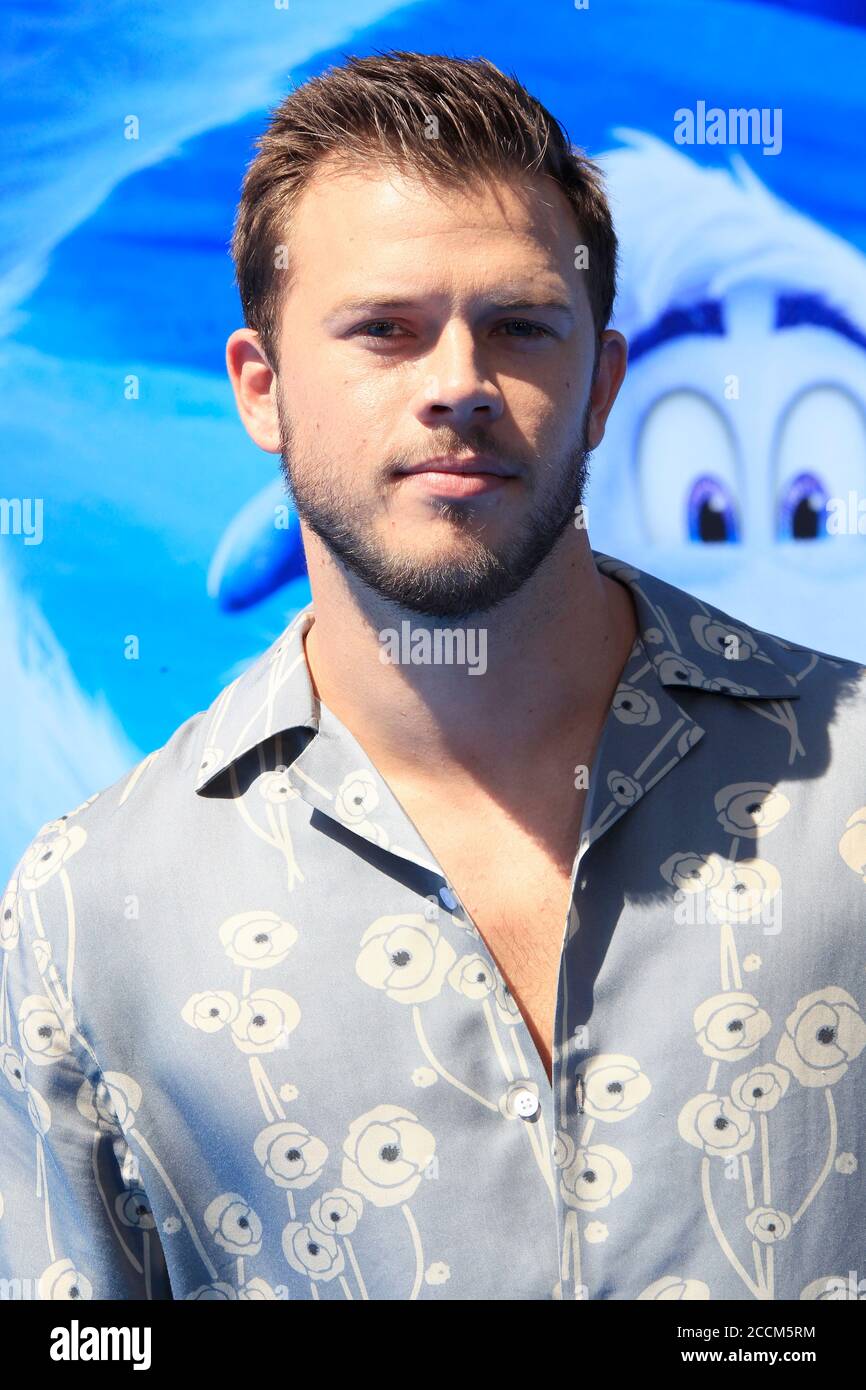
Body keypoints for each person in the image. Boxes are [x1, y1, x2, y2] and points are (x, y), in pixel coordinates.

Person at [2, 51, 864, 1303]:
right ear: (260, 387)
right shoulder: (89, 915)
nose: (456, 384)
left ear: (602, 385)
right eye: (383, 331)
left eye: (518, 327)